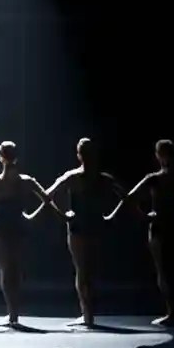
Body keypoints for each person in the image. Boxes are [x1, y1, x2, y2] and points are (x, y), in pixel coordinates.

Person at [111, 139, 174, 326]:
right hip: (173, 226)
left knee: (166, 271)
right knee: (172, 270)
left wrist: (144, 215)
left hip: (167, 227)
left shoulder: (164, 179)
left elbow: (129, 198)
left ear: (159, 156)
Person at [43, 138, 127, 328]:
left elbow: (47, 195)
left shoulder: (76, 177)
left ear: (79, 155)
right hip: (93, 225)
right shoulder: (103, 179)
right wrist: (110, 216)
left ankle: (87, 315)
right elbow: (126, 198)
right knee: (90, 271)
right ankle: (89, 314)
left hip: (80, 226)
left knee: (82, 271)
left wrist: (63, 215)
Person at [0, 141, 60, 328]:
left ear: (0, 157)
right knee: (15, 269)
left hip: (3, 226)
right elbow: (47, 199)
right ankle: (14, 313)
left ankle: (12, 314)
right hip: (16, 224)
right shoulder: (25, 181)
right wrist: (32, 216)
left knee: (7, 270)